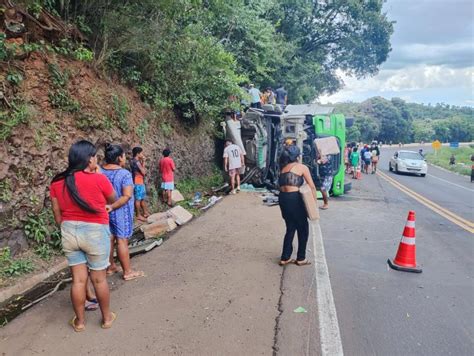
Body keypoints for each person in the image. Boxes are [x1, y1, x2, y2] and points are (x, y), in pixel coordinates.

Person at [50, 140, 116, 332]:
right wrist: (99, 174)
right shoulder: (99, 179)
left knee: (78, 280)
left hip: (69, 231)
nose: (97, 159)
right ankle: (106, 318)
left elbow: (57, 213)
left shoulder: (57, 181)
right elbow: (112, 199)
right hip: (95, 232)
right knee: (99, 279)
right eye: (95, 156)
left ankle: (79, 322)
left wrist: (69, 226)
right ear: (89, 159)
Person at [102, 144, 145, 281]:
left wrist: (109, 207)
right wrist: (114, 206)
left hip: (105, 210)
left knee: (109, 239)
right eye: (124, 155)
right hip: (120, 211)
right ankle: (127, 272)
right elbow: (126, 196)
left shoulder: (100, 172)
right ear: (119, 158)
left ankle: (110, 267)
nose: (125, 158)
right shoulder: (124, 174)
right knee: (122, 240)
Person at [278, 145, 317, 266]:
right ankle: (301, 258)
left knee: (290, 227)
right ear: (297, 156)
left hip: (283, 198)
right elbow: (312, 186)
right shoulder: (302, 167)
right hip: (294, 198)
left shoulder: (283, 168)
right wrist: (313, 204)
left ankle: (285, 257)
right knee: (303, 228)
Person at [130, 146, 150, 222]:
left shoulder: (132, 160)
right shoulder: (137, 162)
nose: (142, 154)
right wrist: (144, 162)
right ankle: (138, 215)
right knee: (138, 199)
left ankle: (145, 212)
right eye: (141, 153)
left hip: (136, 181)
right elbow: (143, 172)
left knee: (141, 198)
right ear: (138, 153)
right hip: (138, 182)